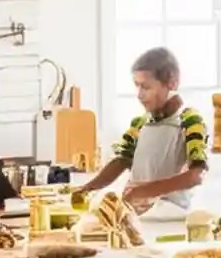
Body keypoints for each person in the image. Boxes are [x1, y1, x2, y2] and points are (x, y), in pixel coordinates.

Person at [74, 47, 209, 215]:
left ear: (172, 83)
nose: (139, 95)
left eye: (146, 87)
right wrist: (87, 188)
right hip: (137, 213)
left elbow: (197, 175)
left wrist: (145, 191)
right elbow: (121, 160)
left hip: (171, 214)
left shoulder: (190, 120)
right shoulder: (140, 123)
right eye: (137, 86)